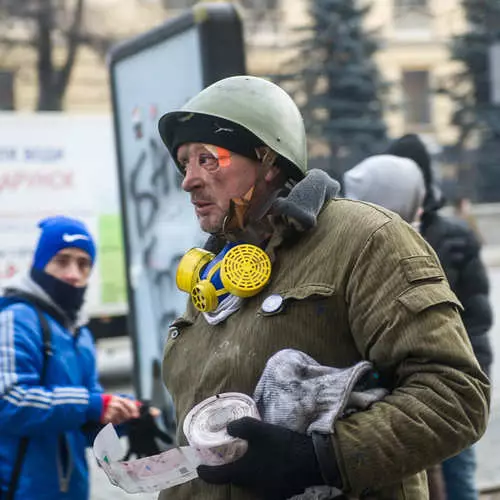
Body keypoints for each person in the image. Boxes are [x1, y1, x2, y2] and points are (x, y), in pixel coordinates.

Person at [157, 75, 490, 500]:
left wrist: (320, 458)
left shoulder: (366, 239)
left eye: (209, 159)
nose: (189, 180)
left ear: (268, 159)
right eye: (185, 163)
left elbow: (455, 397)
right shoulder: (213, 275)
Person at [0, 216, 141, 500]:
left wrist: (122, 417)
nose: (73, 274)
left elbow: (82, 423)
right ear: (40, 264)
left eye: (83, 264)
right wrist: (93, 405)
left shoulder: (81, 334)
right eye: (62, 261)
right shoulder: (16, 319)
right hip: (18, 491)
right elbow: (9, 402)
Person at [386, 134, 494, 500]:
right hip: (434, 380)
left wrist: (470, 378)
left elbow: (475, 319)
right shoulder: (450, 233)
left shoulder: (447, 236)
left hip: (446, 379)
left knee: (453, 472)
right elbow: (479, 318)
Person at [343, 153, 447, 500]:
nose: (421, 210)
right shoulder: (380, 255)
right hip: (382, 428)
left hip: (403, 417)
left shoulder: (407, 247)